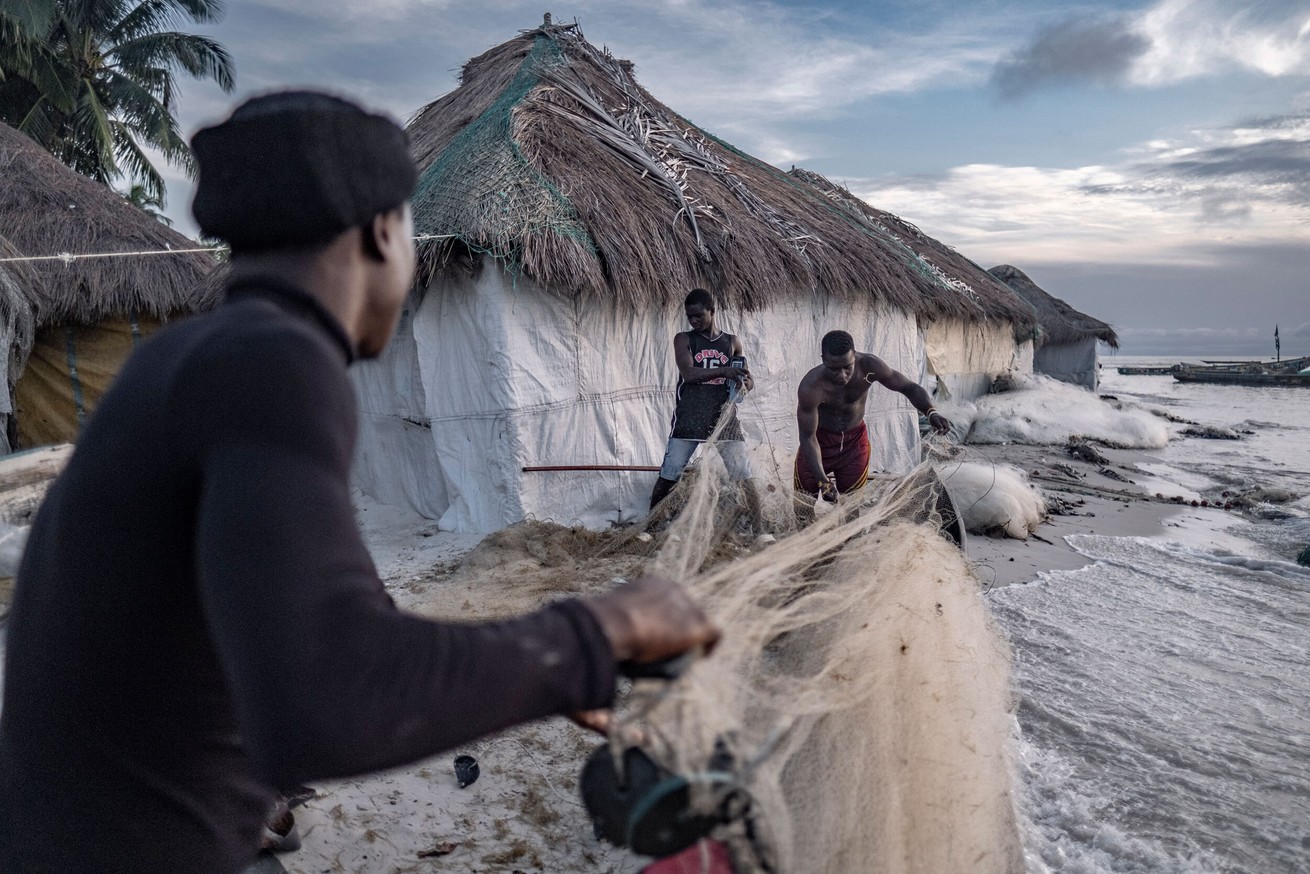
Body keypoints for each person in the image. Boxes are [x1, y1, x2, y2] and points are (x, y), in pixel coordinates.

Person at [0, 91, 718, 874]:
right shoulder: (276, 363)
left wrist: (533, 677)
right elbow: (326, 698)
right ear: (384, 232)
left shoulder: (184, 360)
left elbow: (310, 622)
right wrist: (600, 631)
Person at [649, 289, 761, 528]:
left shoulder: (732, 342)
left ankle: (760, 528)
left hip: (724, 417)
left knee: (743, 474)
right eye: (690, 317)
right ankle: (649, 526)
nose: (694, 321)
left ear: (712, 311)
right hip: (690, 415)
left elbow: (747, 379)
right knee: (670, 474)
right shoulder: (685, 339)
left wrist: (744, 384)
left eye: (698, 315)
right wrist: (724, 370)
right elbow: (689, 374)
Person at [795, 330, 951, 501]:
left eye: (848, 367)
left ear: (854, 355)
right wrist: (822, 481)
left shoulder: (870, 366)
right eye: (834, 369)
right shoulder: (811, 387)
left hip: (854, 443)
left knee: (851, 506)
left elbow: (908, 387)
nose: (842, 375)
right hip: (819, 442)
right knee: (804, 504)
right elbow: (808, 437)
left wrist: (930, 411)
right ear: (823, 359)